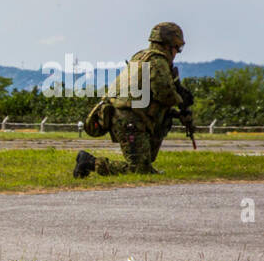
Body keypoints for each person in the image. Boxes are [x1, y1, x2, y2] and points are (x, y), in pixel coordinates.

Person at [75, 22, 191, 178]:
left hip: (130, 116)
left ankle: (145, 166)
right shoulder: (157, 61)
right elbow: (165, 95)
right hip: (130, 119)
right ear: (168, 44)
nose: (177, 52)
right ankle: (90, 162)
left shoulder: (141, 56)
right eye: (178, 48)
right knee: (138, 170)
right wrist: (181, 100)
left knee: (144, 164)